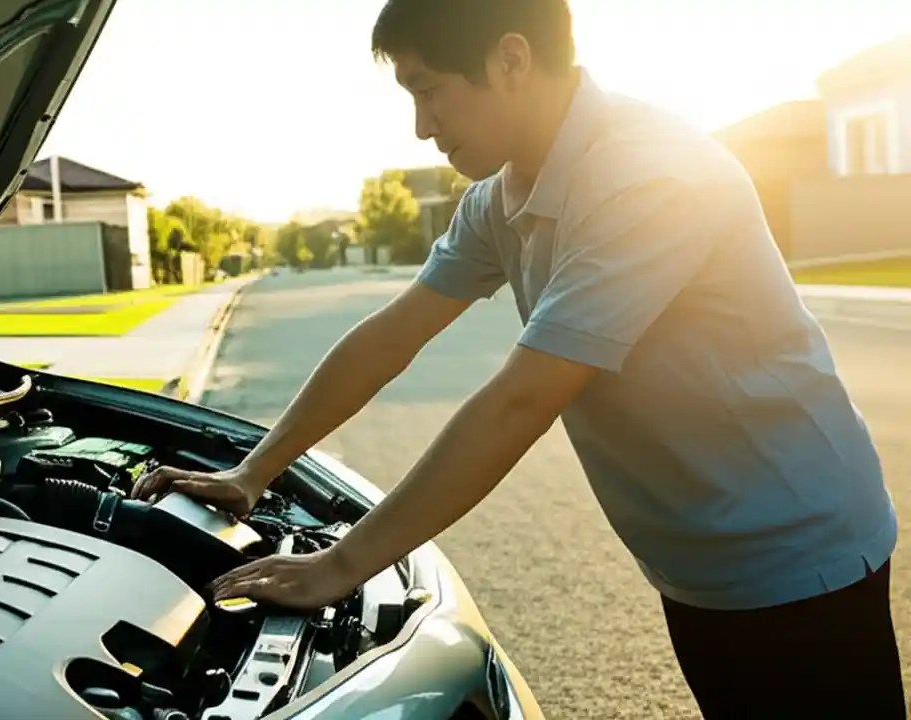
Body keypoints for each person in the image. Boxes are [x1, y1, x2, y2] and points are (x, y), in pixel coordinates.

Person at [130, 0, 905, 716]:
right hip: (696, 562)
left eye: (428, 90)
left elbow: (523, 399)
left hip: (800, 551)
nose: (420, 126)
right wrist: (251, 472)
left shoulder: (651, 174)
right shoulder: (501, 198)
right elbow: (391, 336)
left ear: (509, 60)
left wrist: (342, 565)